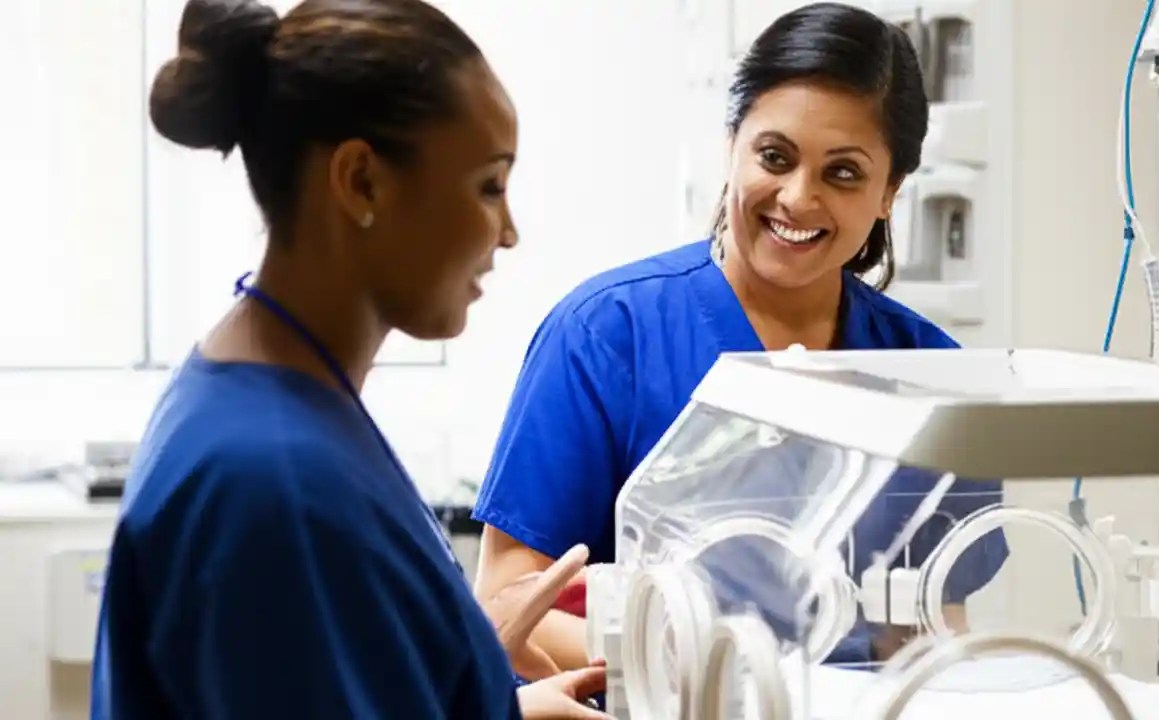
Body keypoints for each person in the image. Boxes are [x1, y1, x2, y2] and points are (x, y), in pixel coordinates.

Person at [90, 1, 609, 718]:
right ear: (362, 181)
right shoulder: (274, 482)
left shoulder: (265, 384)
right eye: (489, 185)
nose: (509, 232)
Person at [472, 1, 1009, 674]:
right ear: (732, 145)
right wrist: (685, 670)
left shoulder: (929, 371)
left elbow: (927, 629)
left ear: (889, 191)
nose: (797, 198)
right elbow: (502, 603)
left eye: (843, 172)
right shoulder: (607, 337)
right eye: (775, 157)